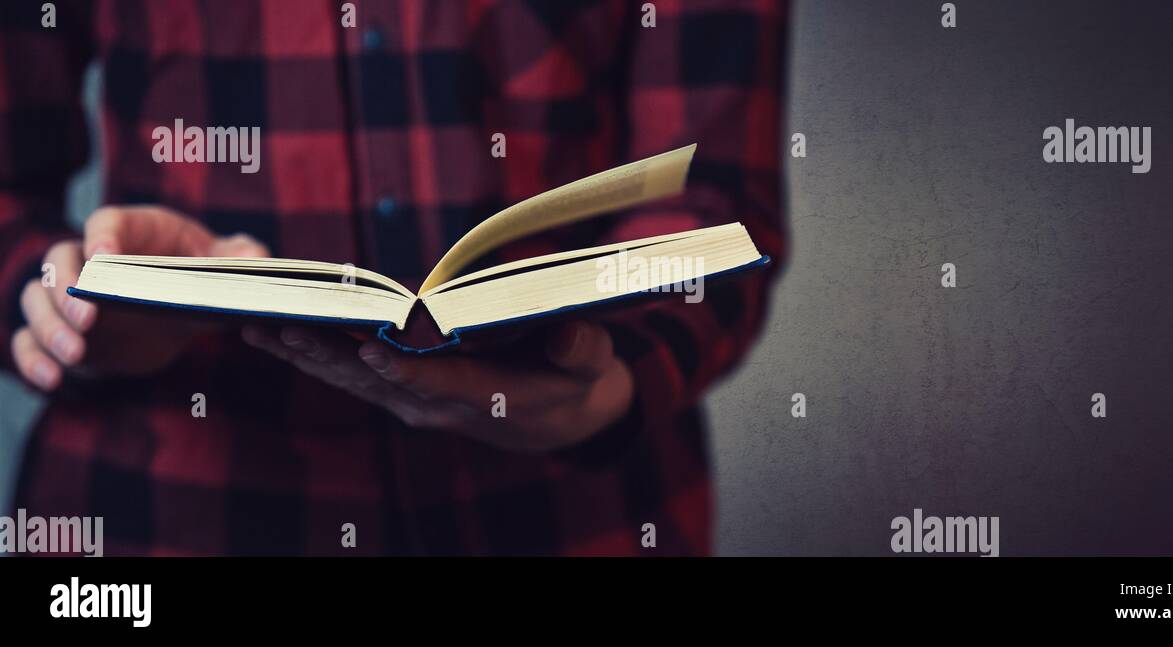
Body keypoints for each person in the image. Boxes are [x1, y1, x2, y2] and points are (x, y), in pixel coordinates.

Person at [0, 0, 786, 555]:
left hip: (580, 513)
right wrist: (58, 300)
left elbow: (712, 198)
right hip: (166, 512)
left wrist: (612, 387)